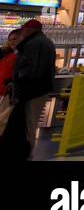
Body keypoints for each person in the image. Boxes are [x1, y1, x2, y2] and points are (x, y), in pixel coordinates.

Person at [0, 20, 55, 160]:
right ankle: (26, 152)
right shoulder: (48, 43)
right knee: (31, 123)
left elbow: (27, 70)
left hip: (30, 92)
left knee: (27, 124)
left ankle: (24, 153)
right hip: (41, 90)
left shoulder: (32, 44)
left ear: (29, 30)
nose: (22, 33)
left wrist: (16, 85)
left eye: (23, 30)